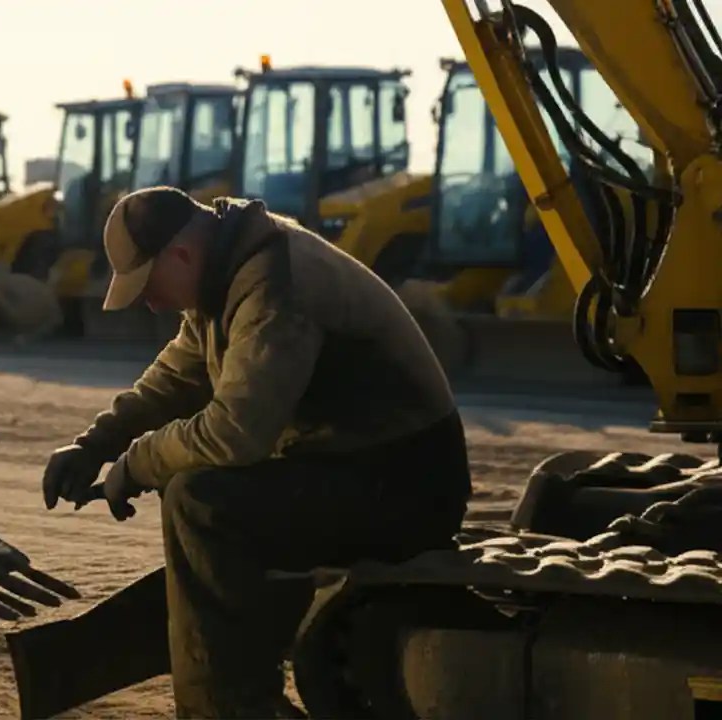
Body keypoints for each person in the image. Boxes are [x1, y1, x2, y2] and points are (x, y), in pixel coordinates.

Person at [41, 186, 472, 718]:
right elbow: (178, 376)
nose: (149, 302)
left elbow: (234, 434)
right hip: (354, 465)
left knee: (202, 505)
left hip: (406, 483)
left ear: (180, 255)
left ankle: (234, 708)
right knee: (200, 499)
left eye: (148, 285)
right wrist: (97, 443)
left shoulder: (276, 286)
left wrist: (135, 464)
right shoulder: (229, 268)